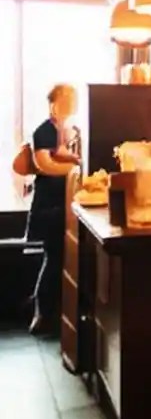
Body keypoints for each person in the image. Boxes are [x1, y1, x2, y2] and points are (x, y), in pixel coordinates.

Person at [27, 84, 80, 334]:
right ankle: (41, 312)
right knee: (54, 257)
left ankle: (53, 312)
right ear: (53, 103)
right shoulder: (44, 131)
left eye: (72, 98)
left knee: (61, 259)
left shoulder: (69, 132)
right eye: (65, 99)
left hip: (63, 205)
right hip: (49, 206)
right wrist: (75, 171)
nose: (70, 103)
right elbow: (45, 164)